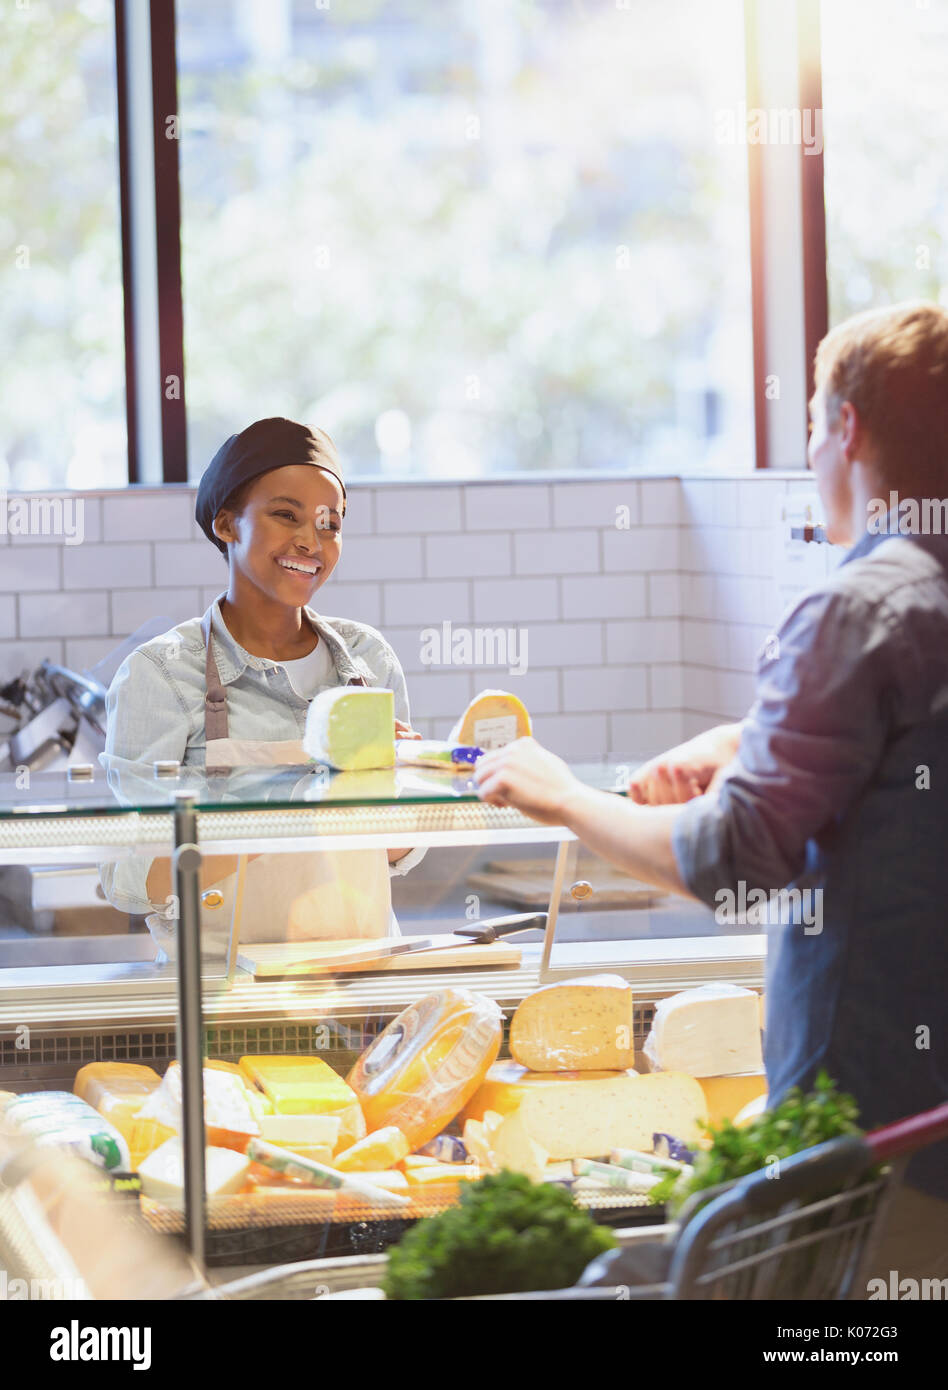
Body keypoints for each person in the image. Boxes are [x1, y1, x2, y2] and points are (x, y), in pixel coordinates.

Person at [475, 302, 948, 1284]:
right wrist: (752, 739)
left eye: (815, 424)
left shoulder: (856, 605)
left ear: (848, 428)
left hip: (875, 1139)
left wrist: (562, 796)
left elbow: (733, 862)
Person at [99, 417, 423, 961]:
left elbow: (398, 852)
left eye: (330, 523)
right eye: (284, 515)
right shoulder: (161, 674)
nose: (310, 541)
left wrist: (400, 786)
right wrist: (291, 807)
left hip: (363, 984)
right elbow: (134, 880)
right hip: (226, 997)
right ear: (227, 524)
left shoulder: (367, 661)